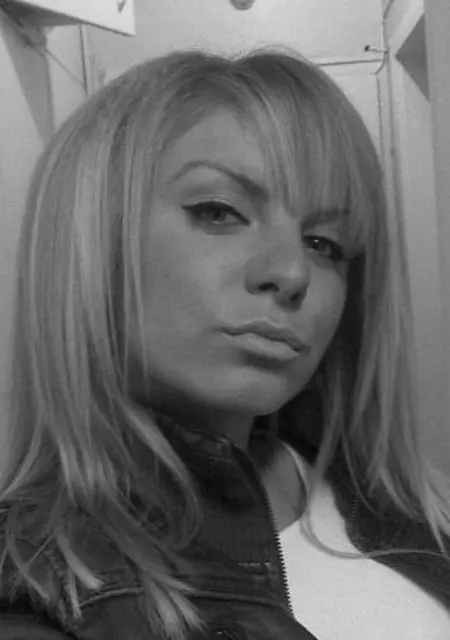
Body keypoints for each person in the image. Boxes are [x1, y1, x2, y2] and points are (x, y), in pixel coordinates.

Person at [0, 47, 449, 640]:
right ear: (91, 238)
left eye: (325, 244)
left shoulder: (406, 504)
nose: (292, 273)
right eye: (219, 212)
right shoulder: (37, 587)